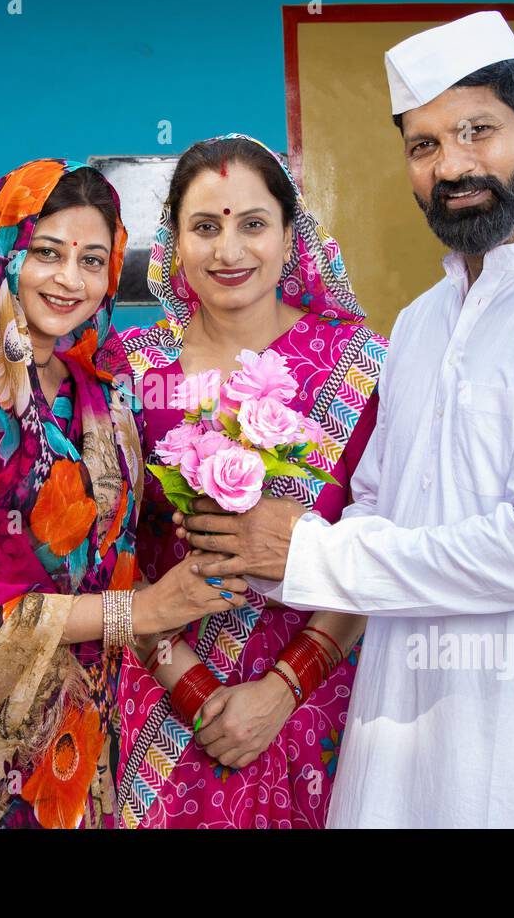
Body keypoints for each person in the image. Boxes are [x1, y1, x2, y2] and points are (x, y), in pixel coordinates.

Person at [182, 12, 514, 828]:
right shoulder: (420, 324)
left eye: (477, 131)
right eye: (424, 145)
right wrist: (258, 548)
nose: (452, 165)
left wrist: (308, 548)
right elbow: (381, 506)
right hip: (408, 746)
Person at [0, 160, 245, 829]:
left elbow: (132, 535)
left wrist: (240, 501)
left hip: (82, 738)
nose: (69, 280)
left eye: (91, 260)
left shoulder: (101, 394)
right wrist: (134, 614)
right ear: (2, 256)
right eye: (46, 253)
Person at [115, 134, 387, 828]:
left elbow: (383, 545)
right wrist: (192, 685)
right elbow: (97, 549)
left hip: (310, 702)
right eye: (205, 227)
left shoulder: (360, 365)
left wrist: (281, 690)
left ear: (291, 237)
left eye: (253, 225)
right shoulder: (127, 369)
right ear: (174, 240)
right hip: (154, 692)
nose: (228, 251)